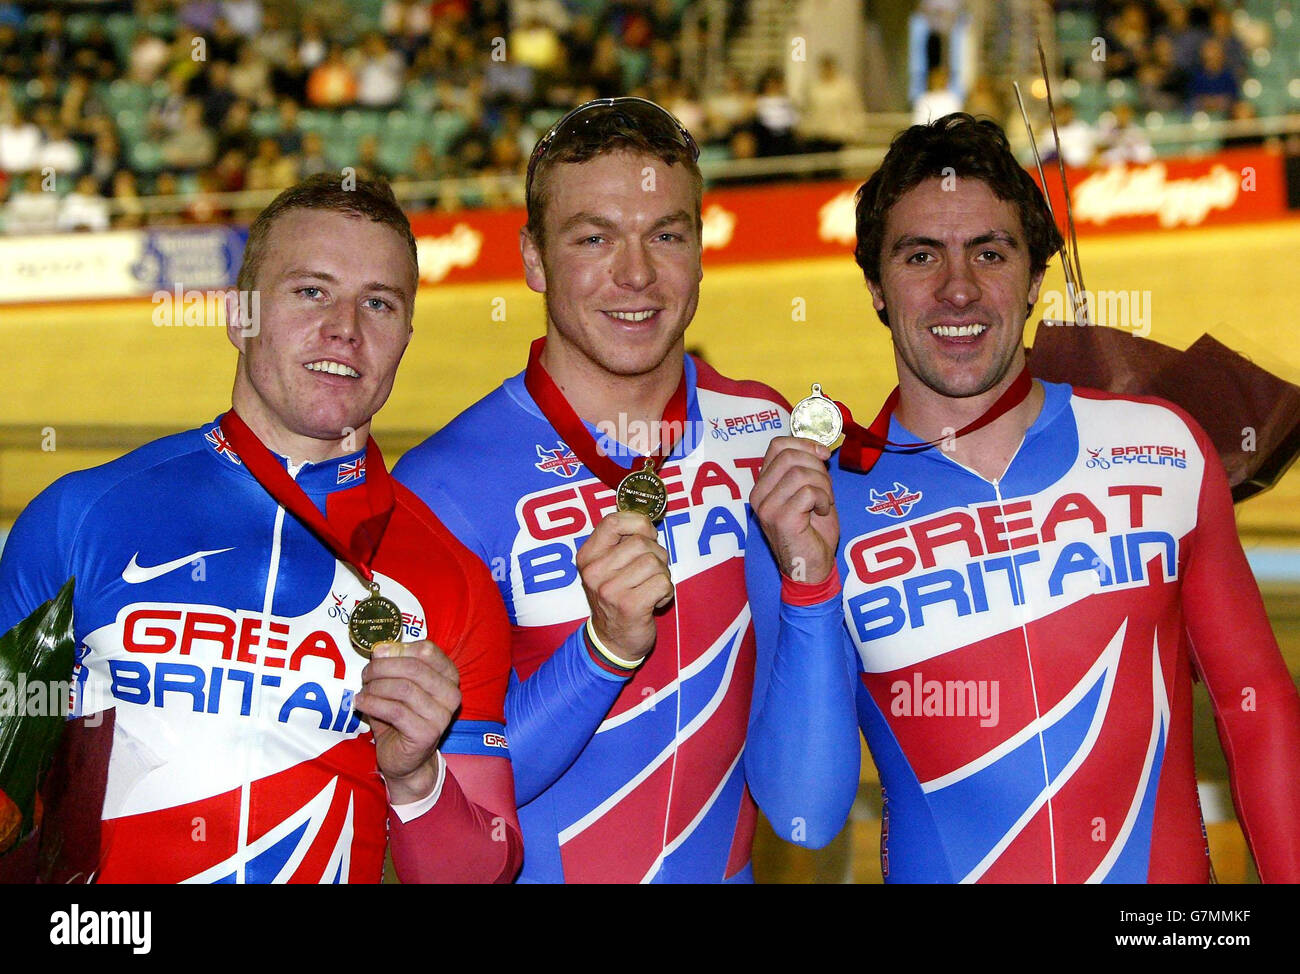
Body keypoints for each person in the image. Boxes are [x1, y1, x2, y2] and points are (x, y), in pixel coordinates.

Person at [748, 112, 1300, 882]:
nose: (958, 289)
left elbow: (1260, 711)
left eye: (990, 252)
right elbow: (803, 814)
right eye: (919, 256)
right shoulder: (814, 504)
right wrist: (809, 586)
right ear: (876, 286)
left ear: (1035, 277)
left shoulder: (1164, 444)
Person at [0, 174, 522, 884]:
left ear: (404, 336)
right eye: (311, 291)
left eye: (379, 302)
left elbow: (480, 873)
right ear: (238, 314)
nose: (345, 327)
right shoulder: (77, 519)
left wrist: (416, 778)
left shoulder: (452, 582)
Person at [393, 98, 858, 883]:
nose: (637, 274)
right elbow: (460, 824)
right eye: (595, 238)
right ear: (534, 259)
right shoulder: (439, 489)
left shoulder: (765, 434)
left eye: (666, 235)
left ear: (701, 251)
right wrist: (603, 651)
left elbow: (804, 810)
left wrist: (812, 588)